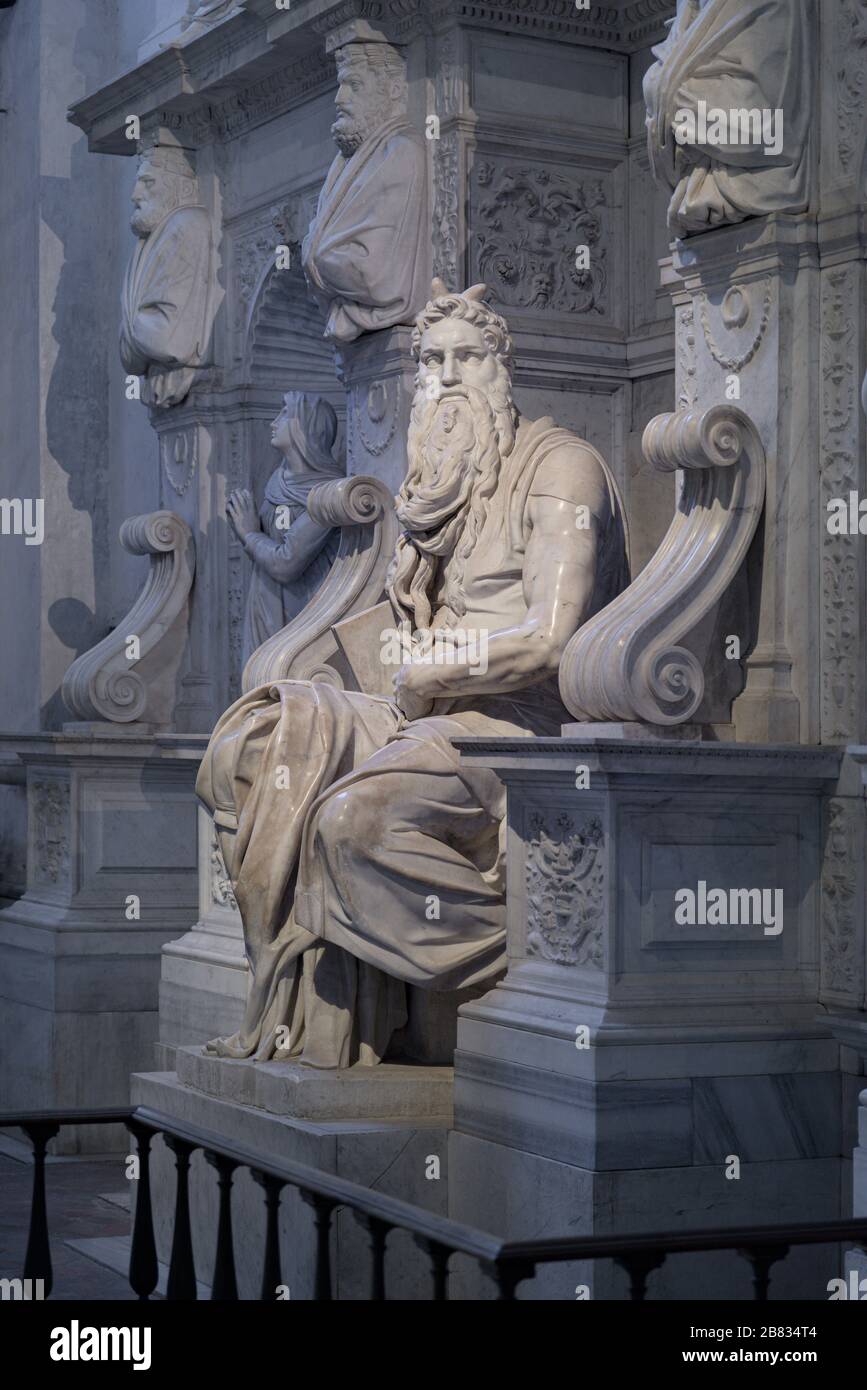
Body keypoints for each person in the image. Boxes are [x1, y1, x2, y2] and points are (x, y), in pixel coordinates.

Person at [196, 281, 630, 1067]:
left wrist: (434, 663)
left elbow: (553, 640)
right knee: (246, 746)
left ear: (501, 369)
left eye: (468, 357)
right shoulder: (439, 486)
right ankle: (280, 1001)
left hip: (518, 735)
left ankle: (527, 952)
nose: (450, 375)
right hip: (422, 718)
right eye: (433, 360)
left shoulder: (562, 469)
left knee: (347, 824)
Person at [226, 393, 345, 666]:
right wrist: (245, 526)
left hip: (301, 608)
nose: (273, 421)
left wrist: (249, 533)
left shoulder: (326, 493)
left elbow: (287, 562)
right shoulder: (278, 480)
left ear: (305, 425)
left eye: (283, 414)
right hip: (264, 599)